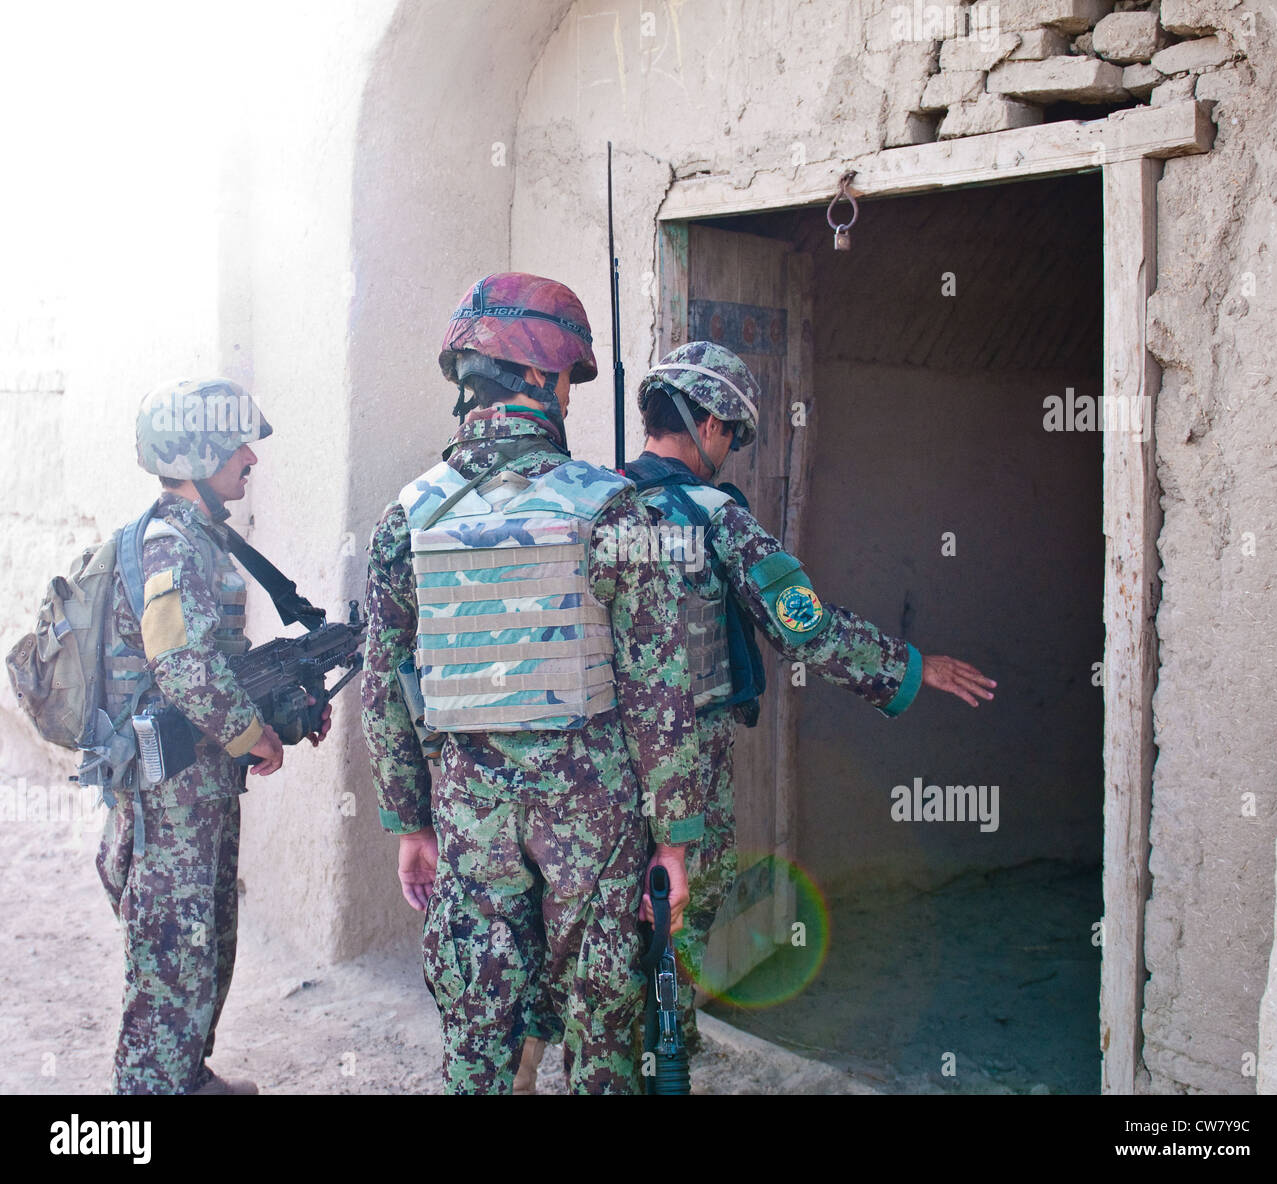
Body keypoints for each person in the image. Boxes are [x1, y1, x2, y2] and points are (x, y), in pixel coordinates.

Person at [360, 273, 703, 1095]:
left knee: (477, 1039)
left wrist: (411, 821)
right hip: (597, 818)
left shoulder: (408, 515)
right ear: (546, 381)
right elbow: (661, 690)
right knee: (600, 1036)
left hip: (469, 813)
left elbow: (383, 688)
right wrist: (676, 836)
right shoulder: (614, 510)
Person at [624, 341, 997, 1047]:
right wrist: (913, 668)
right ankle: (662, 1057)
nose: (728, 451)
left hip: (593, 772)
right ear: (709, 426)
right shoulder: (715, 517)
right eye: (731, 436)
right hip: (688, 770)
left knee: (606, 937)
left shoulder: (591, 506)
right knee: (678, 923)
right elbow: (808, 630)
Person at [95, 377, 331, 1095]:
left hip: (194, 788)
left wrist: (283, 706)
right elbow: (185, 666)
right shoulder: (172, 545)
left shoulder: (201, 539)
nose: (250, 459)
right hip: (169, 797)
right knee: (171, 951)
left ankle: (185, 1075)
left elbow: (217, 664)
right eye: (236, 445)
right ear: (197, 454)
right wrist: (251, 735)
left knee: (204, 941)